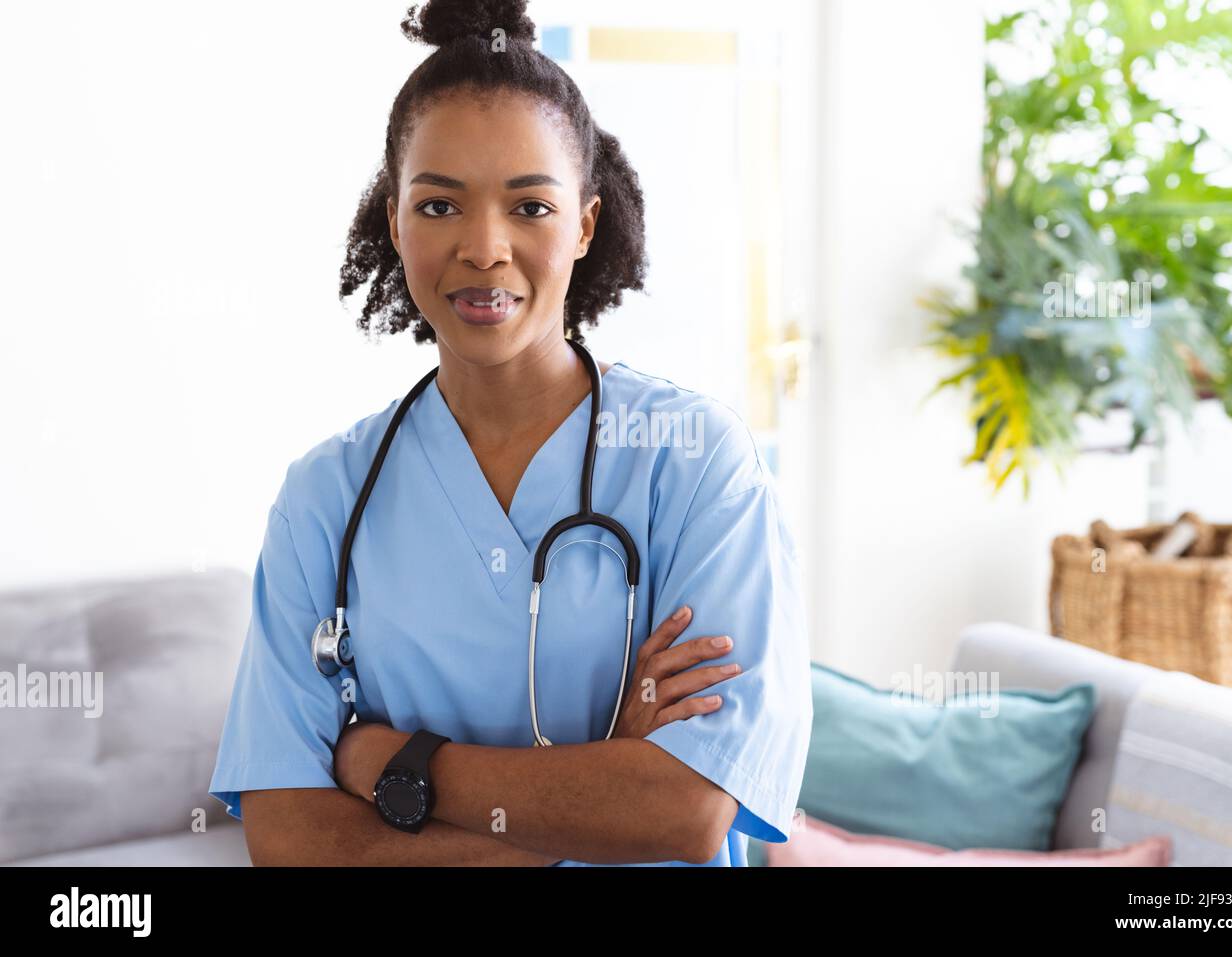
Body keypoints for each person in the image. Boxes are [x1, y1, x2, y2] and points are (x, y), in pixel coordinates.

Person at [207, 0, 813, 867]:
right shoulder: (324, 499)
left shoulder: (695, 460)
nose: (485, 249)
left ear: (585, 224)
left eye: (529, 206)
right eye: (439, 205)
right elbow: (291, 836)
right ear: (394, 221)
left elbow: (685, 809)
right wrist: (592, 797)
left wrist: (391, 767)